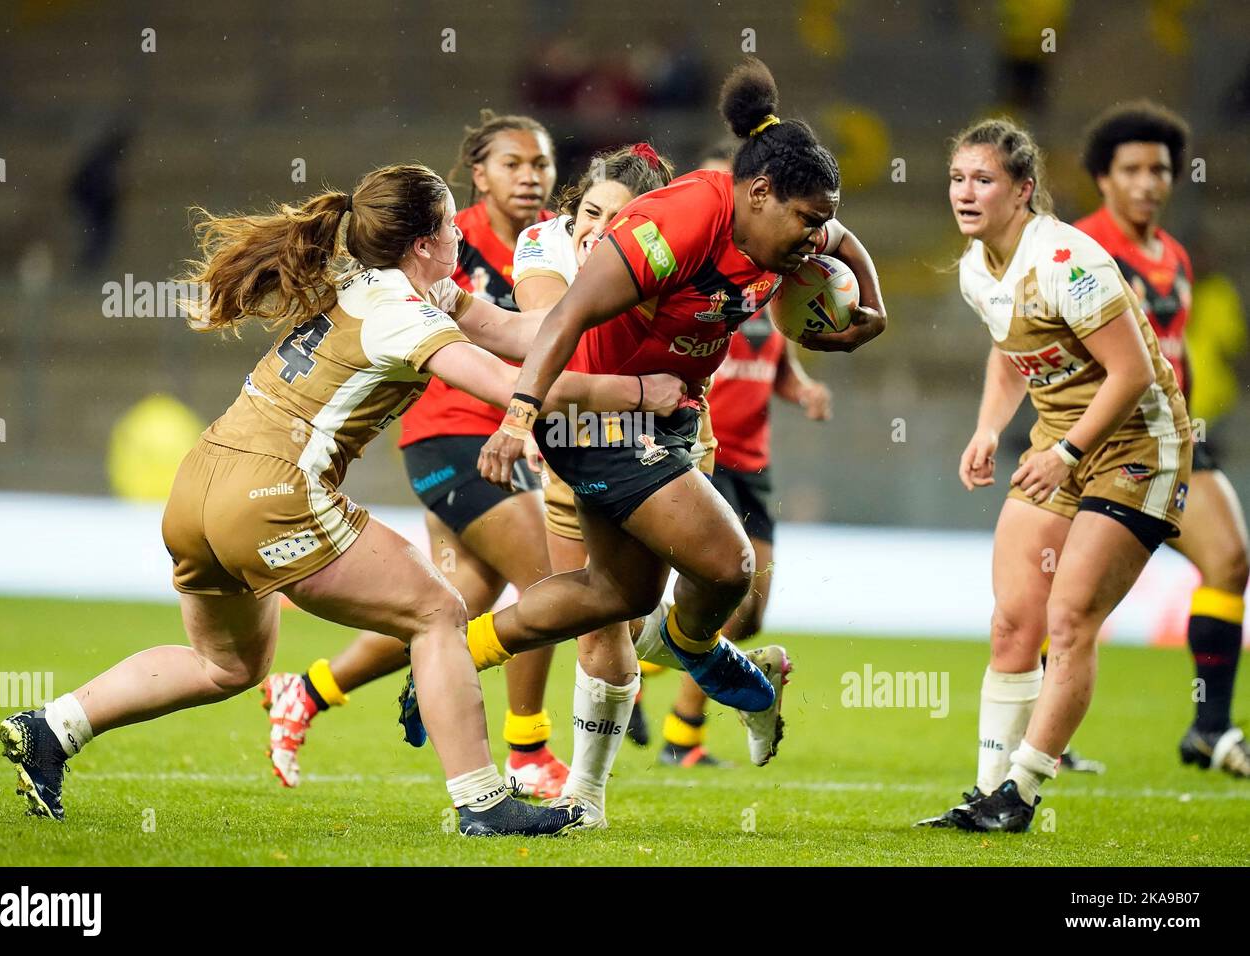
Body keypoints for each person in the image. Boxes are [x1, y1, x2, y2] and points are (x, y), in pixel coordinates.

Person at [0, 163, 682, 836]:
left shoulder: (368, 283)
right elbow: (513, 387)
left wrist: (597, 311)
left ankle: (52, 728)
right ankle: (481, 802)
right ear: (423, 244)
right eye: (449, 227)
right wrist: (639, 392)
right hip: (273, 493)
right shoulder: (403, 312)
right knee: (439, 611)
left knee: (226, 665)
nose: (460, 240)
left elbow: (522, 333)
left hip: (199, 485)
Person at [449, 58, 885, 827]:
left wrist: (869, 307)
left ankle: (469, 664)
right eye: (597, 214)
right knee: (716, 573)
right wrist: (518, 417)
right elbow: (556, 324)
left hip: (671, 421)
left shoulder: (787, 227)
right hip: (588, 423)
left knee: (615, 601)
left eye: (621, 212)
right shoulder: (634, 234)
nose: (605, 228)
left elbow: (842, 239)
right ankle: (688, 670)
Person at [261, 112, 573, 797]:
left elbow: (537, 335)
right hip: (451, 434)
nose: (530, 176)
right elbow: (493, 349)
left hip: (509, 435)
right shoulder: (440, 244)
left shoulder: (556, 244)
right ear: (479, 174)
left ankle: (307, 692)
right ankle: (527, 749)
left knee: (452, 603)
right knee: (550, 583)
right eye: (513, 163)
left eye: (541, 164)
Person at [920, 119, 1193, 833]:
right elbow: (1011, 355)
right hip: (1059, 444)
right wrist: (988, 427)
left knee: (1070, 621)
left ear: (1024, 191)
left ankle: (1024, 790)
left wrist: (1067, 453)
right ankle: (986, 794)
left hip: (1139, 448)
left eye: (984, 180)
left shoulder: (1068, 261)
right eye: (957, 178)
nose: (966, 193)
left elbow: (1133, 374)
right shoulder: (979, 266)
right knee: (1014, 622)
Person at [1075, 101, 1249, 778]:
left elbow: (1178, 350)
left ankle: (1210, 728)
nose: (1150, 182)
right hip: (1106, 441)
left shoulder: (1173, 255)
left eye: (1161, 169)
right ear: (1103, 178)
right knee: (1072, 602)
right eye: (1133, 169)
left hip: (1175, 437)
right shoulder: (1079, 250)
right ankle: (1036, 747)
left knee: (1231, 560)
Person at [647, 142, 827, 769]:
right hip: (703, 453)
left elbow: (777, 351)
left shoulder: (775, 271)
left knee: (748, 616)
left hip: (755, 461)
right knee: (723, 595)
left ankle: (642, 658)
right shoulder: (692, 262)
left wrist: (799, 387)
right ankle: (681, 735)